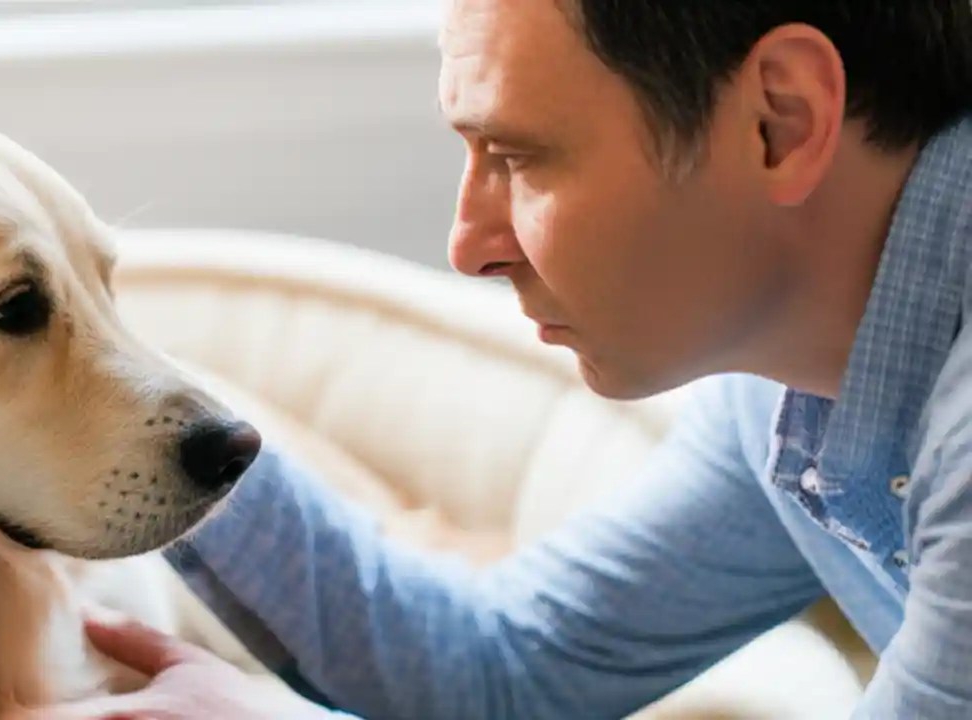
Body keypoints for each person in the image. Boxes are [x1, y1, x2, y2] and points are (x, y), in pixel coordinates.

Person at [76, 1, 972, 718]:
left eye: (518, 157)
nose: (469, 245)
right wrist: (134, 426)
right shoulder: (781, 383)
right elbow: (507, 669)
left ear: (781, 118)